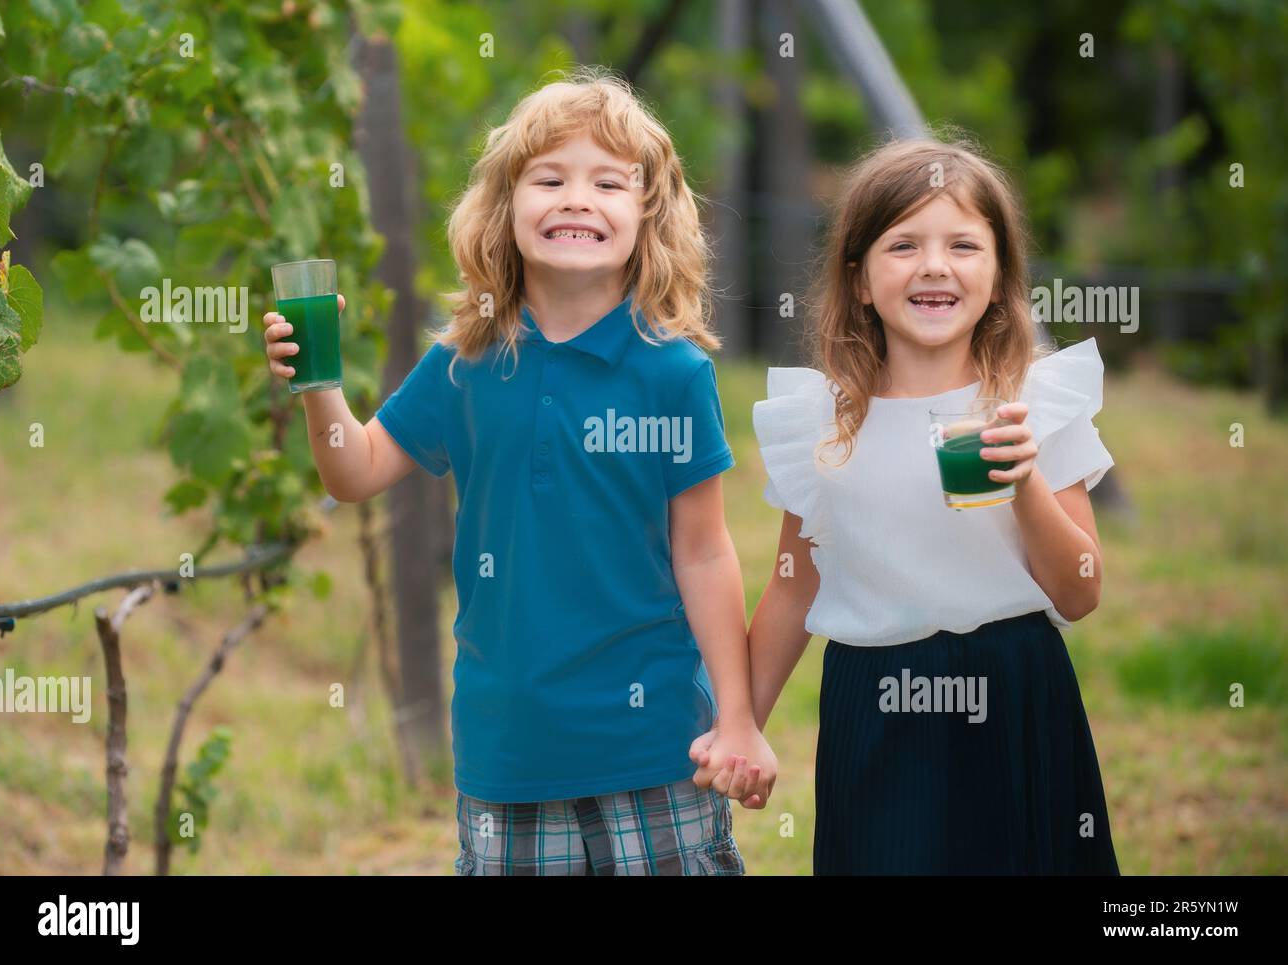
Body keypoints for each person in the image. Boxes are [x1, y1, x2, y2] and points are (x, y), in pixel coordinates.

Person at [264, 69, 774, 875]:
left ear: (648, 216)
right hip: (506, 755)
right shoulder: (464, 364)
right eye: (550, 179)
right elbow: (353, 471)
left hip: (654, 746)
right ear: (505, 210)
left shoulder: (672, 373)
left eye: (608, 182)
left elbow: (705, 551)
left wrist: (738, 718)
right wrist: (318, 387)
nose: (577, 198)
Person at [693, 137, 1119, 875]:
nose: (934, 265)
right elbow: (796, 582)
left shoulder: (1037, 402)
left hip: (1018, 691)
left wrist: (1024, 482)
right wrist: (740, 725)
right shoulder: (823, 423)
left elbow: (1080, 592)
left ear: (998, 274)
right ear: (858, 279)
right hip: (877, 704)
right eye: (903, 245)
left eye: (963, 244)